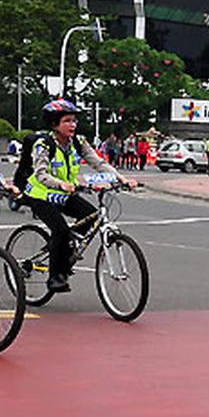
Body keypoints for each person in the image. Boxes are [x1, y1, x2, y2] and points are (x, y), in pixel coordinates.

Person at [25, 99, 136, 293]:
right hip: (41, 195)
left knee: (92, 216)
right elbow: (40, 174)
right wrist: (60, 184)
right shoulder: (43, 145)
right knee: (59, 229)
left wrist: (121, 178)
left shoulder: (78, 142)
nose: (73, 125)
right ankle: (55, 276)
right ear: (54, 124)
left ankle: (65, 250)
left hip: (65, 193)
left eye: (74, 121)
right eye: (67, 121)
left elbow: (98, 163)